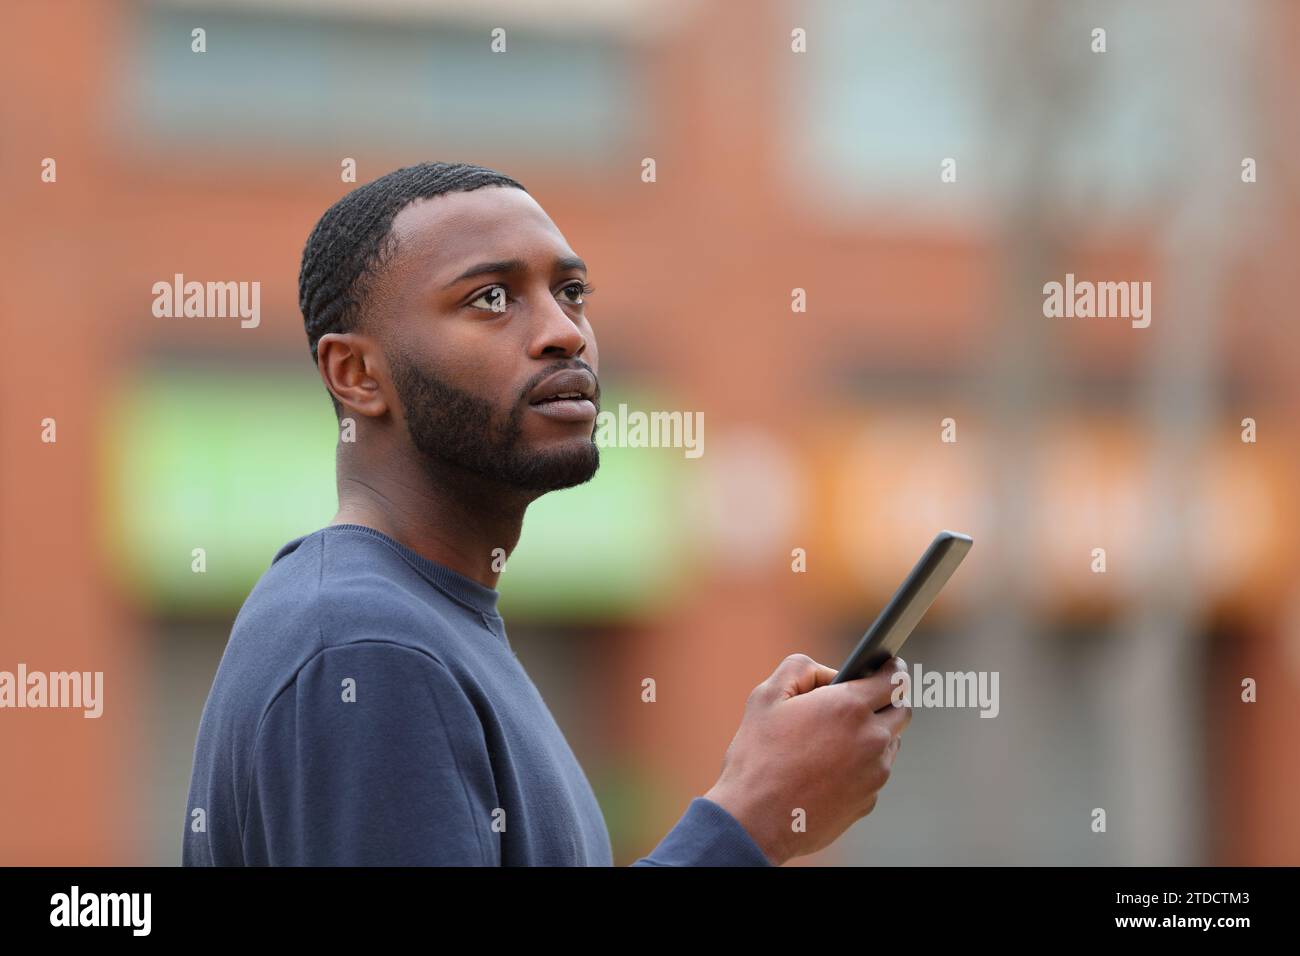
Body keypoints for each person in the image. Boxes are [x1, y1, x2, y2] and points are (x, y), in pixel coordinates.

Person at [182, 161, 911, 866]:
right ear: (358, 375)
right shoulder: (367, 646)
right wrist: (750, 822)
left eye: (571, 291)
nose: (563, 331)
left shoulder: (424, 621)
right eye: (491, 299)